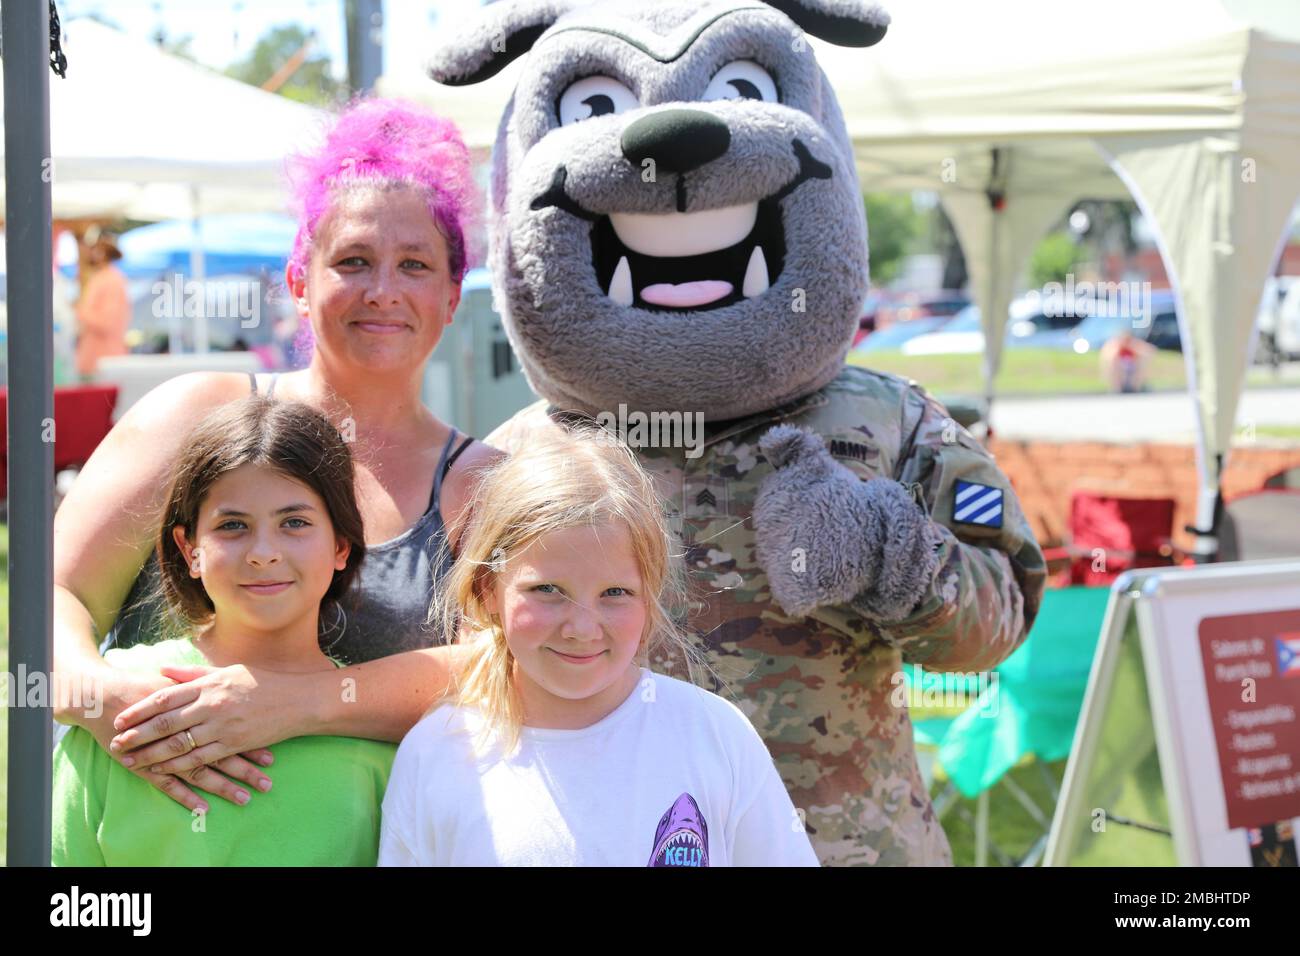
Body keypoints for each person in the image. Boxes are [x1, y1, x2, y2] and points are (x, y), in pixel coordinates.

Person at [52, 98, 499, 815]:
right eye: (352, 261)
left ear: (452, 296)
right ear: (298, 281)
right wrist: (98, 695)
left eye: (413, 265)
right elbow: (55, 595)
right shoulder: (196, 416)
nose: (382, 290)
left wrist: (296, 703)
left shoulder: (485, 486)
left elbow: (504, 670)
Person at [378, 427, 820, 867]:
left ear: (650, 595)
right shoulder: (437, 752)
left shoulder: (716, 735)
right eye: (548, 589)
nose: (583, 628)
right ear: (488, 587)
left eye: (615, 593)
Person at [54, 396, 396, 865]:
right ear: (189, 547)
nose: (263, 552)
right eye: (233, 525)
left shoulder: (379, 734)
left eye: (294, 522)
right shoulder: (122, 705)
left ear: (341, 544)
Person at [74, 227, 131, 380]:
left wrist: (80, 311)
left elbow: (108, 323)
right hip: (94, 361)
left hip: (104, 362)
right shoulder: (100, 278)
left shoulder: (112, 280)